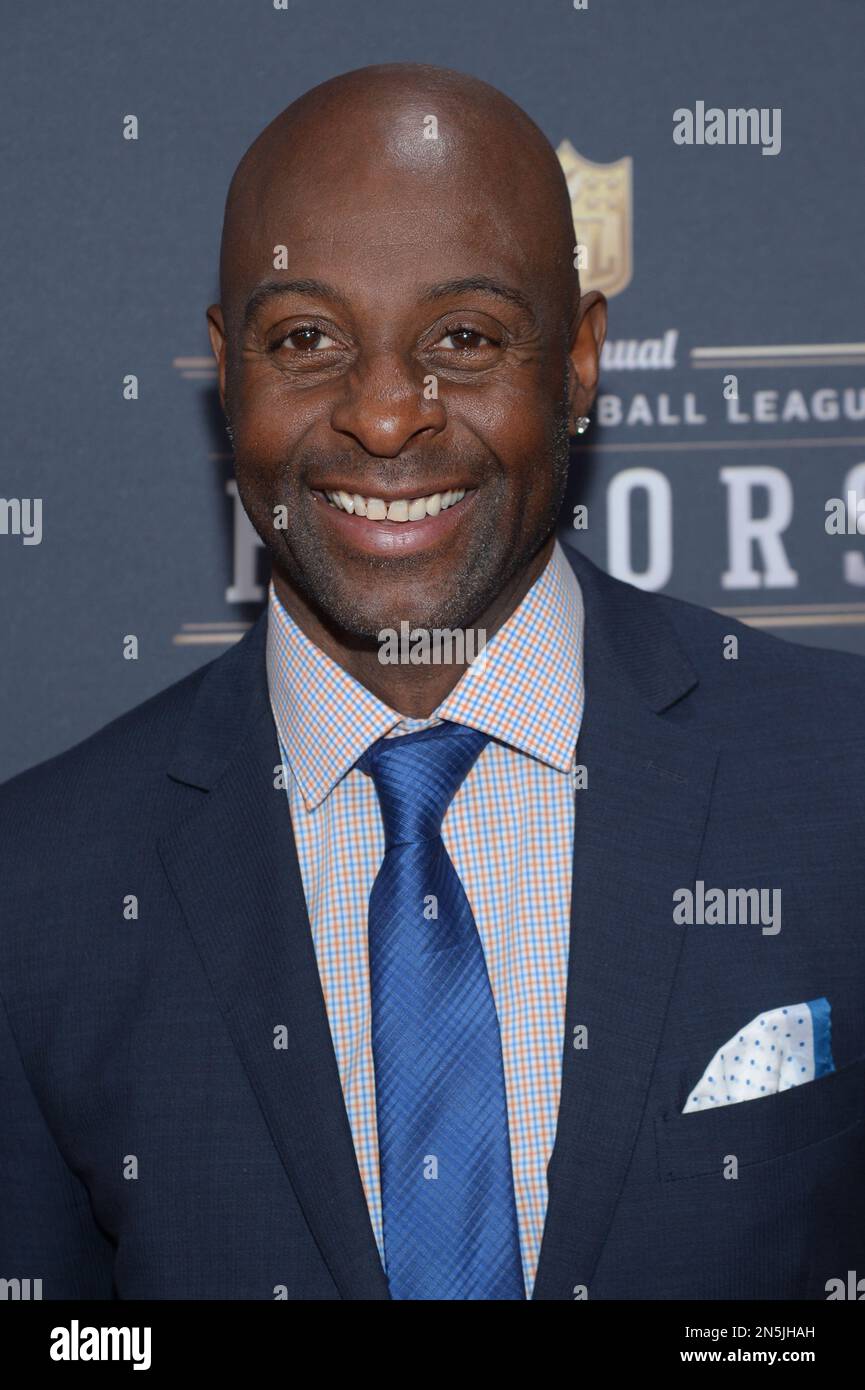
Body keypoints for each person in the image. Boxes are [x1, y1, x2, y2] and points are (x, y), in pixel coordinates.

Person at [1, 63, 863, 1301]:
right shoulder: (39, 894)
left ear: (576, 360)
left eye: (462, 337)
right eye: (306, 338)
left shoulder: (839, 781)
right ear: (224, 368)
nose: (388, 415)